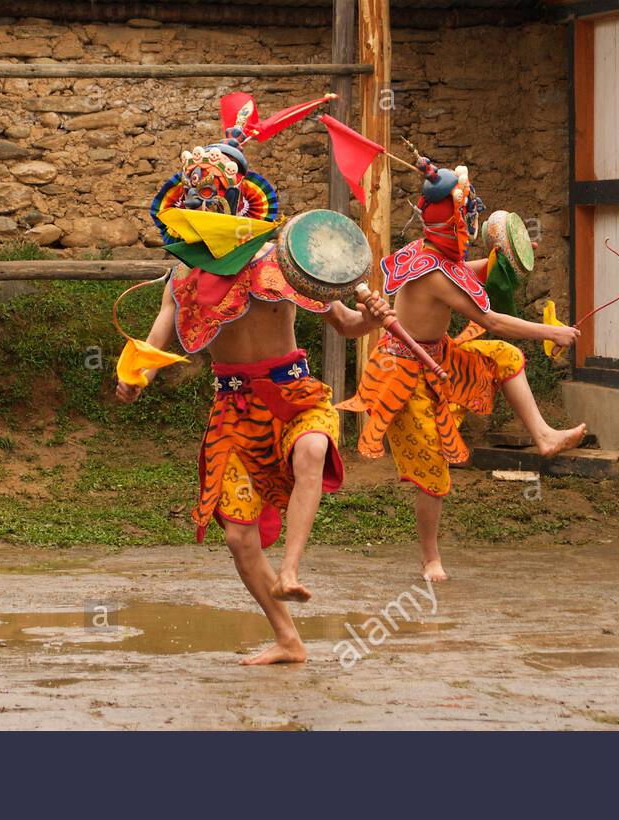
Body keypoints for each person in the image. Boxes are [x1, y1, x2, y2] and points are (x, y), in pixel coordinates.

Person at [118, 94, 393, 665]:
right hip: (233, 410)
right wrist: (133, 378)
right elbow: (156, 339)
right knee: (240, 540)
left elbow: (343, 322)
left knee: (313, 449)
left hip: (295, 394)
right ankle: (288, 639)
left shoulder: (282, 261)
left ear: (241, 206)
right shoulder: (183, 279)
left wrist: (371, 316)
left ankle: (292, 567)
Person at [338, 157, 584, 583]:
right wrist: (551, 331)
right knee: (432, 468)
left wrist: (499, 261)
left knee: (503, 358)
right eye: (469, 213)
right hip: (403, 369)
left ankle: (543, 435)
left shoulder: (424, 253)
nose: (472, 221)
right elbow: (491, 321)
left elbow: (462, 273)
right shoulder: (434, 271)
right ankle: (430, 558)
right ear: (454, 219)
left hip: (440, 354)